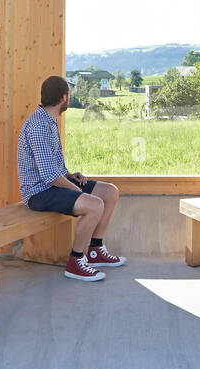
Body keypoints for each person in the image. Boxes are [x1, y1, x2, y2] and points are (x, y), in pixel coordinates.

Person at [17, 75, 126, 281]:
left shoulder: (50, 120)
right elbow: (49, 176)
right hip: (39, 192)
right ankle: (76, 262)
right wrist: (75, 190)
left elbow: (54, 167)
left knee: (110, 192)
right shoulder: (39, 126)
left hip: (53, 184)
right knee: (94, 205)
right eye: (68, 95)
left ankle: (95, 251)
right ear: (64, 98)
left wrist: (69, 175)